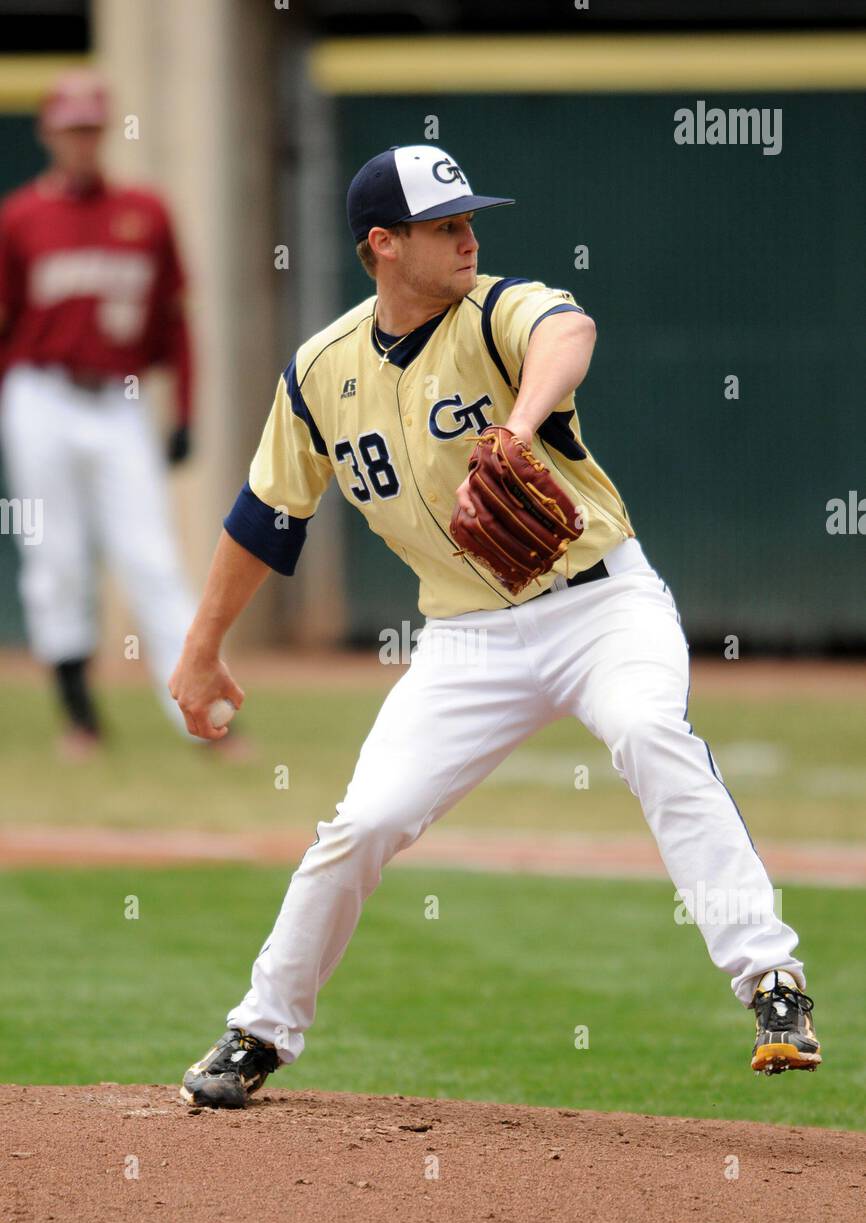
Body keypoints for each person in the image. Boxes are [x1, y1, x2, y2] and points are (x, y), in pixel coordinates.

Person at [171, 144, 820, 1108]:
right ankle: (258, 1032)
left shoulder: (497, 308)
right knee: (365, 822)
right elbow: (266, 515)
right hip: (468, 641)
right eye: (445, 226)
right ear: (382, 246)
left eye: (471, 216)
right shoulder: (319, 372)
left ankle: (772, 981)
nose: (470, 235)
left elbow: (571, 329)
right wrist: (200, 650)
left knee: (649, 734)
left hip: (603, 604)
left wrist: (517, 425)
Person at [0, 69, 196, 756]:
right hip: (39, 394)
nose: (81, 141)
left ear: (104, 131)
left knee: (152, 557)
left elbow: (175, 322)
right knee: (54, 557)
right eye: (70, 128)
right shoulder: (21, 217)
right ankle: (79, 717)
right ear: (49, 132)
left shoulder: (145, 211)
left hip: (118, 400)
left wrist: (186, 410)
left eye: (91, 128)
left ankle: (199, 716)